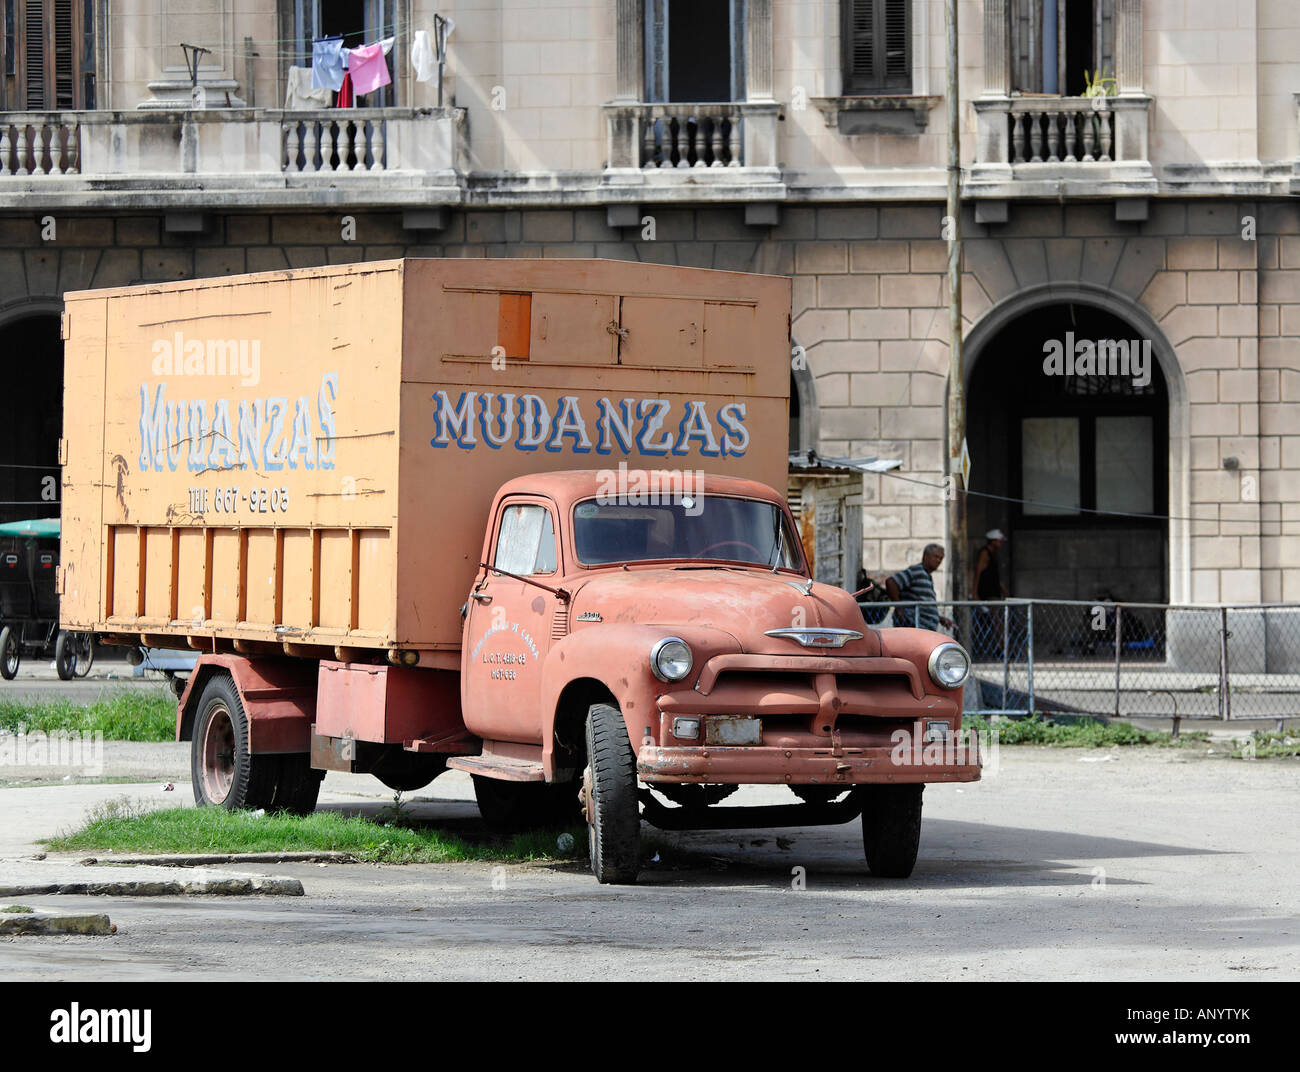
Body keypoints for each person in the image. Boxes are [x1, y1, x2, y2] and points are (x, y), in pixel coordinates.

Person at [885, 544, 953, 632]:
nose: (938, 560)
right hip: (913, 626)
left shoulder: (927, 576)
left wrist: (939, 618)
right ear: (926, 556)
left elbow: (925, 605)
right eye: (936, 557)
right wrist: (899, 608)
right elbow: (891, 582)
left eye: (941, 558)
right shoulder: (917, 571)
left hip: (924, 629)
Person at [972, 529, 1008, 661]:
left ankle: (1000, 648)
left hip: (994, 591)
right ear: (993, 541)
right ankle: (999, 649)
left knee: (998, 622)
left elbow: (994, 576)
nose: (1001, 544)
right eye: (999, 541)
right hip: (988, 593)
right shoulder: (985, 553)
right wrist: (974, 593)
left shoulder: (994, 554)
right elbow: (978, 573)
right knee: (997, 622)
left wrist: (1002, 588)